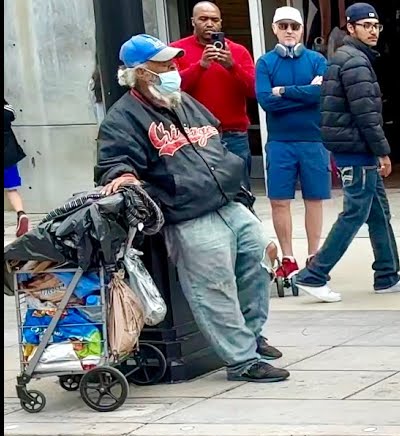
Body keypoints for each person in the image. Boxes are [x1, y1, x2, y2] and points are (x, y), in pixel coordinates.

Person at [96, 35, 288, 382]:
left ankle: (251, 335)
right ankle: (242, 359)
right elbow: (114, 161)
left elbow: (217, 141)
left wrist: (238, 184)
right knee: (213, 284)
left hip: (226, 201)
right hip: (186, 211)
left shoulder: (182, 100)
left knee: (259, 259)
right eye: (164, 65)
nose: (173, 70)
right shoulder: (122, 118)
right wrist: (123, 175)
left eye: (172, 63)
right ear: (141, 73)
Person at [292, 3, 400, 303]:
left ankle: (388, 275)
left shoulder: (350, 57)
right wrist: (382, 151)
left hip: (354, 148)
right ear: (351, 28)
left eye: (376, 26)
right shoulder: (355, 62)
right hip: (357, 150)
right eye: (366, 26)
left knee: (378, 214)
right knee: (354, 213)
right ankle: (314, 274)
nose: (373, 31)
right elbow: (367, 114)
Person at [255, 6, 329, 281]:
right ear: (274, 28)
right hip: (280, 142)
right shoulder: (265, 63)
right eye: (283, 25)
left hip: (312, 140)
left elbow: (321, 95)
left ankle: (314, 255)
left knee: (314, 199)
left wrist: (284, 92)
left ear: (301, 30)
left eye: (294, 26)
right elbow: (265, 101)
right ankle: (287, 257)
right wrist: (305, 93)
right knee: (279, 201)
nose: (289, 31)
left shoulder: (317, 60)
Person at [171, 1, 256, 191]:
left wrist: (232, 66)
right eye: (203, 19)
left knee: (241, 194)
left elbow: (253, 90)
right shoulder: (177, 50)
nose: (209, 23)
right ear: (193, 21)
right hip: (195, 136)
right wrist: (200, 66)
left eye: (214, 19)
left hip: (234, 135)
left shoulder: (238, 51)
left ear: (221, 23)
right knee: (201, 194)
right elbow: (172, 90)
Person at [4, 98, 29, 238]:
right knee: (12, 189)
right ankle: (21, 213)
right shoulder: (7, 111)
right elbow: (11, 113)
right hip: (8, 155)